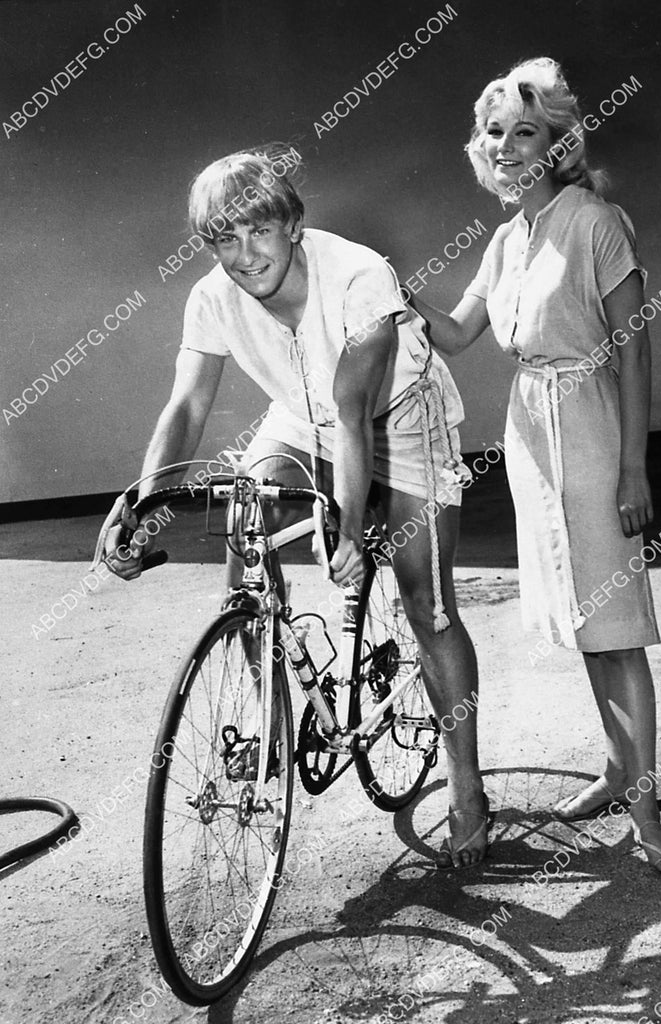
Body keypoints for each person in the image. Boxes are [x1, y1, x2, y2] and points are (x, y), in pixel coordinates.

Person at [102, 147, 490, 869]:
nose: (245, 256)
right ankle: (272, 717)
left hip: (402, 416)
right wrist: (140, 498)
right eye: (224, 239)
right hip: (299, 417)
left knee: (425, 603)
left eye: (259, 233)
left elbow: (353, 412)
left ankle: (466, 789)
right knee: (246, 529)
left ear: (293, 225)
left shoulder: (360, 277)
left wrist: (342, 520)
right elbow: (187, 402)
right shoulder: (212, 297)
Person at [410, 59, 661, 875]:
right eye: (493, 132)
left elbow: (634, 354)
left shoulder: (595, 222)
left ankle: (644, 813)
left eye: (522, 131)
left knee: (615, 631)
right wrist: (380, 288)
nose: (503, 146)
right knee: (582, 624)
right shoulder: (506, 239)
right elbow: (457, 333)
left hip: (593, 429)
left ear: (559, 142)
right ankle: (615, 771)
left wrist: (632, 470)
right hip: (531, 433)